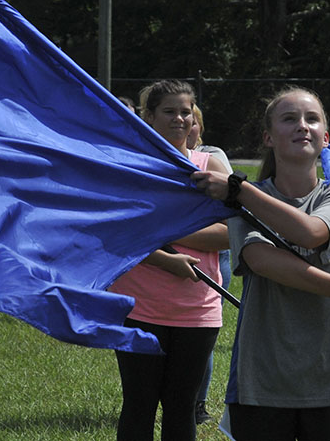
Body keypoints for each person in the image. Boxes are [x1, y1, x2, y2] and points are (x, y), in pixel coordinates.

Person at [191, 86, 330, 441]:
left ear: (325, 138)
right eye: (289, 119)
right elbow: (262, 260)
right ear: (268, 137)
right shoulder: (245, 200)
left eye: (311, 119)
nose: (302, 126)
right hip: (261, 381)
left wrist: (238, 190)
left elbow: (310, 232)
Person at [109, 80, 229, 441]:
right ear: (148, 116)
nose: (180, 119)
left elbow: (231, 232)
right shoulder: (131, 170)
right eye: (169, 111)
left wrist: (167, 231)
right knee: (139, 404)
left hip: (198, 307)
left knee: (182, 406)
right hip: (138, 306)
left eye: (186, 112)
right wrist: (166, 260)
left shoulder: (211, 166)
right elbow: (120, 233)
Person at [186, 104, 233, 425]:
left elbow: (231, 204)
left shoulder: (211, 155)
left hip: (214, 257)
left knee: (202, 334)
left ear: (199, 127)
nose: (184, 125)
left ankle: (198, 403)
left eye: (190, 120)